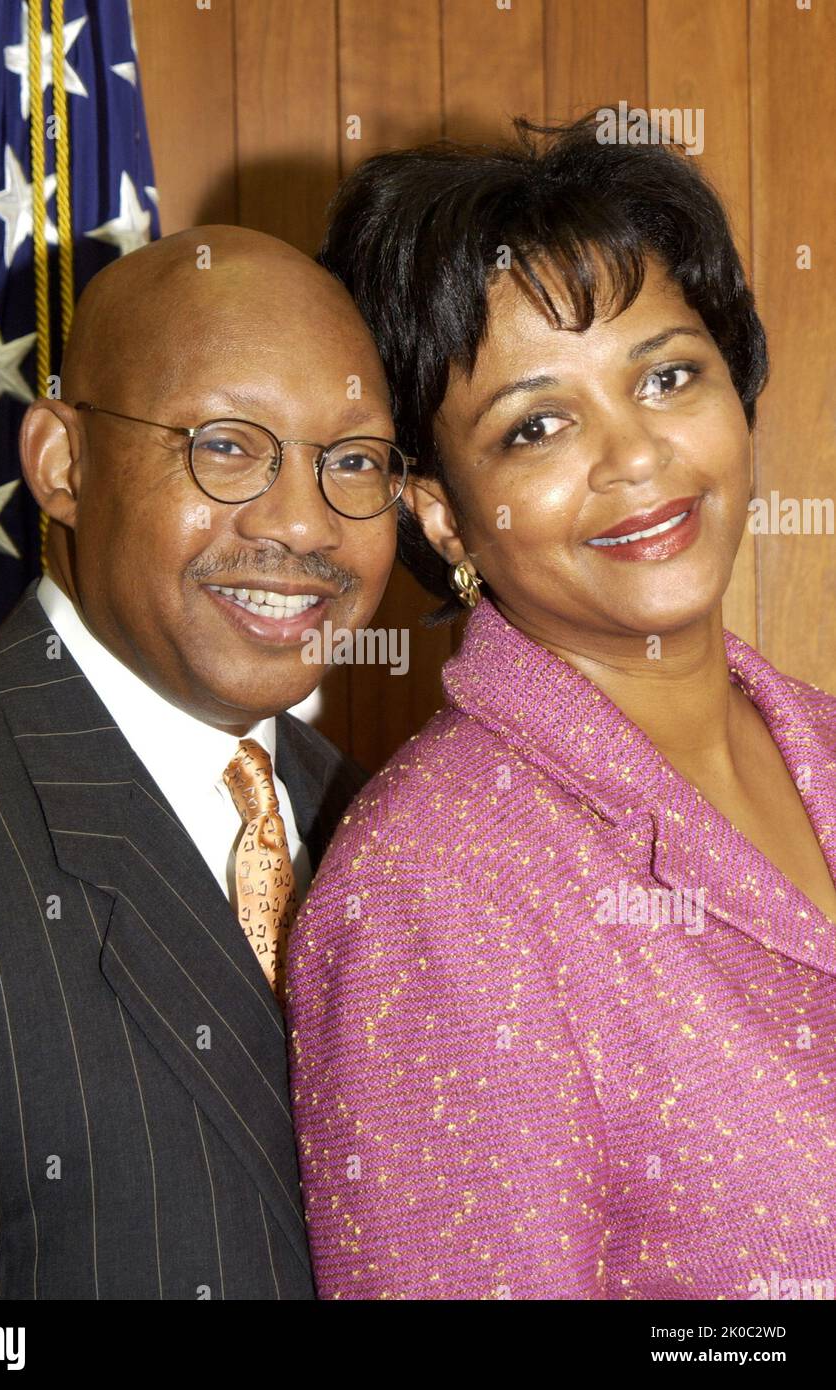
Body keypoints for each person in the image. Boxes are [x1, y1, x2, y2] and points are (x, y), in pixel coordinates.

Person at [287, 118, 836, 1300]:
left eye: (664, 375)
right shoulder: (431, 893)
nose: (633, 455)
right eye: (535, 425)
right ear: (437, 513)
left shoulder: (822, 744)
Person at [0, 226, 406, 1299]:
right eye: (224, 443)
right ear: (62, 465)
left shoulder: (380, 825)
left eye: (350, 460)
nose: (303, 521)